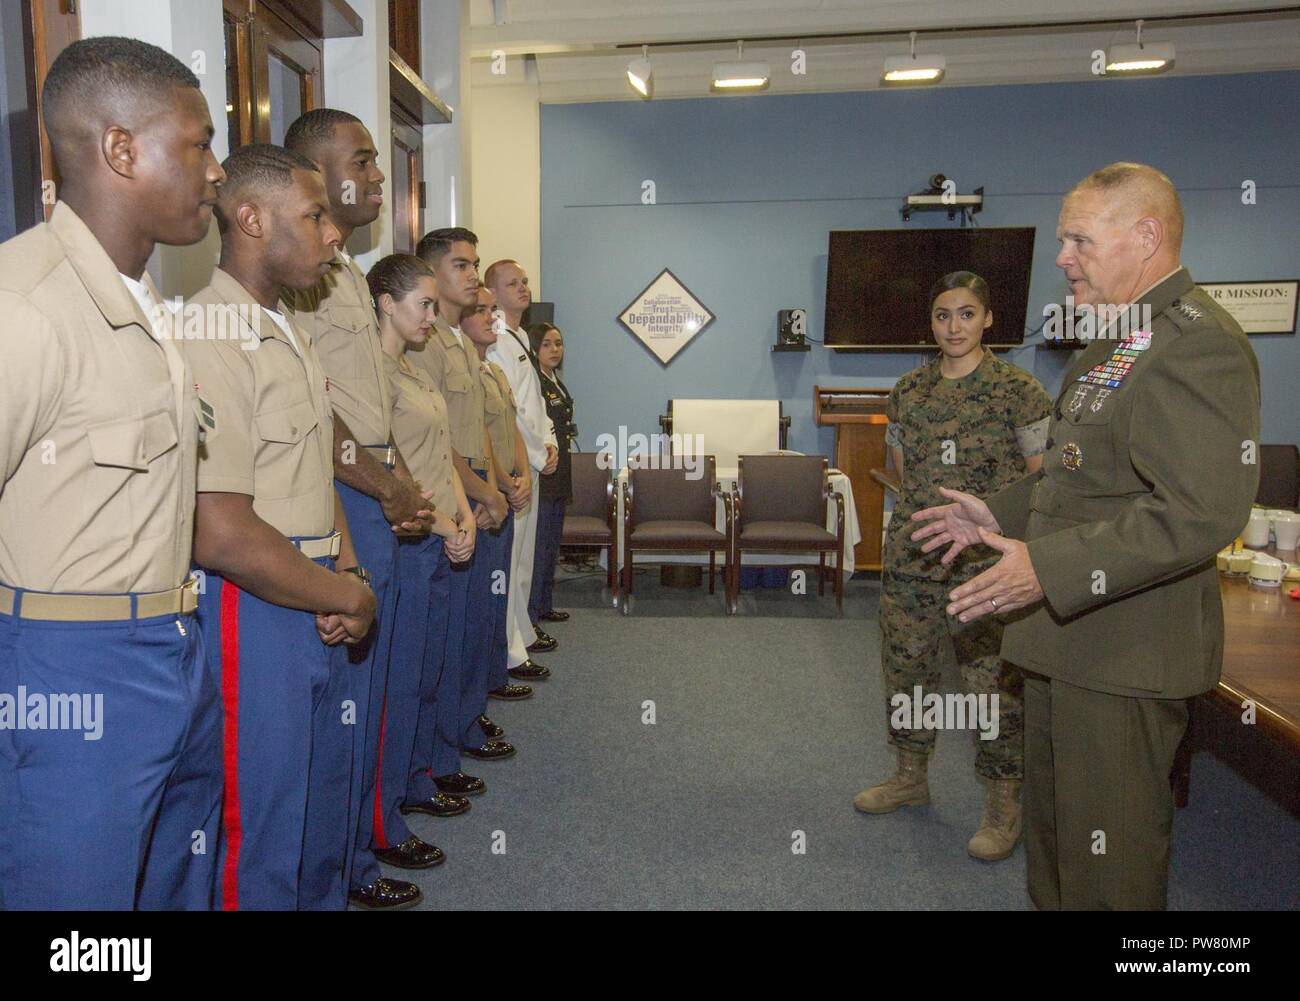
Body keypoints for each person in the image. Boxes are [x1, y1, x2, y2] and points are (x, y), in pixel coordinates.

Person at [911, 162, 1260, 909]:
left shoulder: (1198, 344)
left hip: (1125, 652)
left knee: (1109, 872)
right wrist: (996, 513)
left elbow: (1201, 507)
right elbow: (1079, 473)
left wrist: (1048, 565)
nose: (1062, 256)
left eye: (1078, 238)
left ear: (1146, 235)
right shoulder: (1119, 341)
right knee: (1061, 853)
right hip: (1068, 642)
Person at [0, 36, 224, 910]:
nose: (215, 171)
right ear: (122, 150)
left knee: (171, 885)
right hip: (68, 669)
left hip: (173, 642)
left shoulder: (143, 299)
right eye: (199, 143)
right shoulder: (24, 306)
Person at [184, 144, 375, 910]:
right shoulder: (212, 331)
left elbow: (314, 471)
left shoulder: (286, 324)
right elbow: (222, 532)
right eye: (316, 214)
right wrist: (332, 586)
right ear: (253, 219)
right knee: (258, 822)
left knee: (318, 801)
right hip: (257, 600)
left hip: (317, 579)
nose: (333, 233)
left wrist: (350, 574)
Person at [285, 108, 431, 911]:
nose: (378, 177)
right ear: (315, 169)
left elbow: (372, 405)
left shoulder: (344, 272)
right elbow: (316, 410)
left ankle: (353, 860)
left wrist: (402, 480)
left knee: (370, 698)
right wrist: (382, 486)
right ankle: (327, 879)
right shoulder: (301, 276)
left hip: (373, 491)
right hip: (337, 497)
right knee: (340, 712)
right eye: (364, 161)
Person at [855, 272, 1051, 863]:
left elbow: (1044, 475)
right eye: (943, 316)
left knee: (989, 682)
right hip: (915, 554)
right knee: (906, 667)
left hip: (986, 560)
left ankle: (1002, 803)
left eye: (967, 314)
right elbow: (900, 468)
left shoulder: (1021, 391)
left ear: (988, 319)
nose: (954, 327)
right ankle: (910, 774)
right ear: (931, 322)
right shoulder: (908, 389)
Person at [367, 253, 479, 868]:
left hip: (439, 536)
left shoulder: (414, 370)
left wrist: (460, 517)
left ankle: (414, 780)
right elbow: (390, 470)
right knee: (399, 679)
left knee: (429, 666)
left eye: (436, 306)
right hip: (408, 541)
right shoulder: (375, 375)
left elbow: (442, 454)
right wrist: (442, 522)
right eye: (424, 304)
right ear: (386, 301)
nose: (433, 317)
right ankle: (383, 819)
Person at [413, 228, 525, 795]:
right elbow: (434, 440)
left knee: (471, 624)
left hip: (474, 491)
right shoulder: (426, 342)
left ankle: (456, 731)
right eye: (461, 265)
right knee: (443, 639)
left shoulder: (458, 344)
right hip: (450, 498)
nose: (472, 276)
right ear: (430, 272)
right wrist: (478, 495)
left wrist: (492, 489)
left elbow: (474, 426)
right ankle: (434, 755)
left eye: (475, 265)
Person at [466, 287, 535, 759]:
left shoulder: (492, 369)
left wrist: (524, 474)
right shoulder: (462, 369)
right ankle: (470, 705)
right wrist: (499, 488)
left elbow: (509, 426)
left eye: (495, 311)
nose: (494, 317)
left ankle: (487, 687)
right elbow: (473, 438)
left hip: (506, 490)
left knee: (496, 599)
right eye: (484, 310)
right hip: (484, 497)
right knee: (475, 610)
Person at [485, 261, 561, 665]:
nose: (523, 288)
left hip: (533, 459)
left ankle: (521, 633)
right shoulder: (494, 336)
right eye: (511, 283)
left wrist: (549, 443)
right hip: (515, 462)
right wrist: (534, 453)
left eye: (525, 282)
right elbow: (508, 410)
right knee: (510, 563)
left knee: (524, 560)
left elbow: (537, 405)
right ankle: (509, 649)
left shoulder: (519, 337)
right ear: (491, 293)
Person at [528, 322, 577, 626]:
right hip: (543, 473)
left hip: (560, 474)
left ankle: (544, 604)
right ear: (534, 348)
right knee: (539, 546)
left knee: (550, 547)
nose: (555, 349)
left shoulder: (555, 380)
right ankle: (532, 614)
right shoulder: (534, 382)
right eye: (547, 344)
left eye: (558, 343)